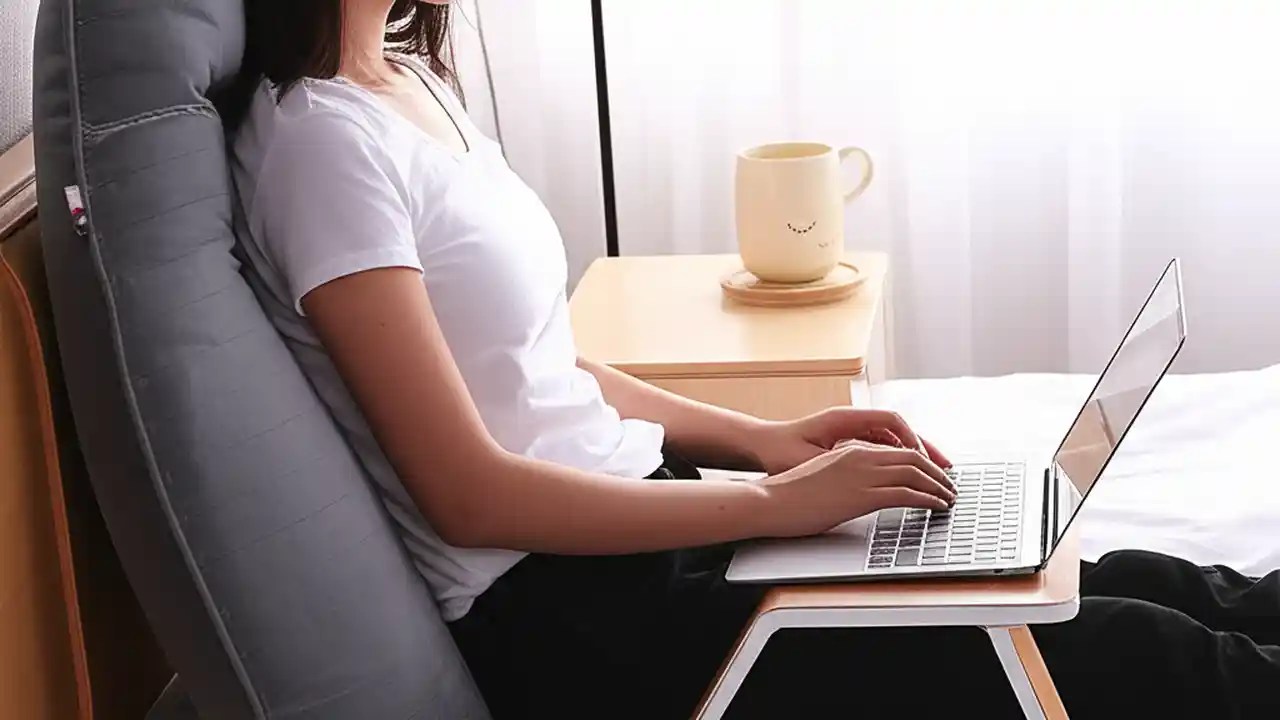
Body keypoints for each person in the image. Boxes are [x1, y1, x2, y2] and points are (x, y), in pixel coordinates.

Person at [219, 1, 1280, 717]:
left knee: (1140, 584)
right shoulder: (321, 148)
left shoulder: (407, 83)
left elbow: (547, 369)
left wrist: (767, 443)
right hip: (582, 625)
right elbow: (467, 495)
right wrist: (778, 504)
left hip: (643, 539)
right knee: (1138, 656)